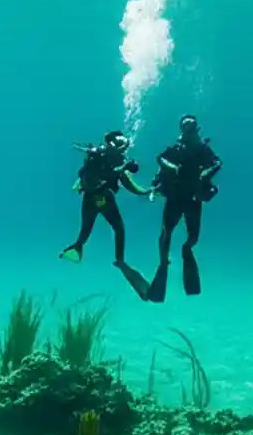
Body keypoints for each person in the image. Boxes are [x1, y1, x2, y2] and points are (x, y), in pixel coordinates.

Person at [59, 130, 151, 300]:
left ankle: (78, 247)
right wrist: (126, 172)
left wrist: (145, 192)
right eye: (119, 141)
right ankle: (118, 260)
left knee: (89, 230)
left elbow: (128, 183)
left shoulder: (113, 159)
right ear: (110, 142)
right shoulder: (100, 155)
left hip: (91, 198)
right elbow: (118, 179)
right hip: (101, 197)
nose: (123, 144)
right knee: (116, 228)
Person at [146, 115, 222, 303]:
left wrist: (206, 174)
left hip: (192, 198)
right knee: (166, 231)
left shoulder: (204, 149)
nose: (189, 127)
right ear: (181, 129)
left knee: (193, 236)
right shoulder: (176, 149)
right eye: (186, 124)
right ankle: (164, 261)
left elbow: (217, 163)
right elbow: (160, 159)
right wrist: (173, 169)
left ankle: (186, 250)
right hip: (175, 196)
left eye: (192, 124)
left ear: (197, 127)